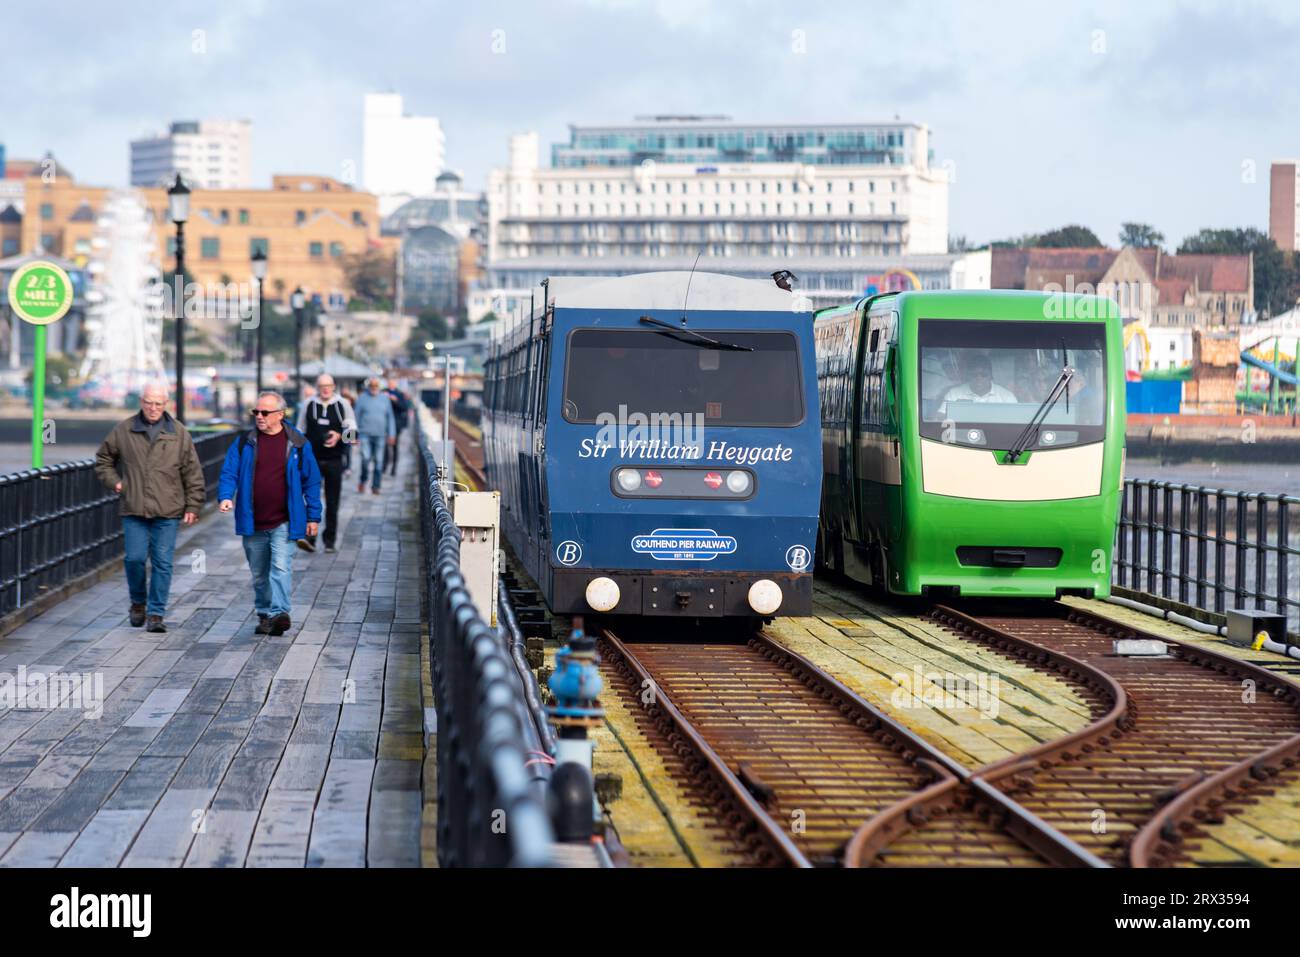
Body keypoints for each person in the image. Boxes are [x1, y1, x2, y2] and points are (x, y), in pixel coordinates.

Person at [94, 383, 205, 633]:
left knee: (163, 562)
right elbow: (103, 460)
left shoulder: (179, 432)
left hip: (169, 509)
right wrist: (117, 483)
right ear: (141, 402)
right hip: (134, 507)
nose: (153, 408)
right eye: (148, 402)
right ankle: (137, 603)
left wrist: (193, 505)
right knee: (134, 559)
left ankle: (156, 613)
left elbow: (193, 472)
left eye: (158, 403)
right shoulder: (124, 429)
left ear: (166, 405)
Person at [218, 390, 322, 637]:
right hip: (252, 520)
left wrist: (313, 517)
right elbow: (229, 471)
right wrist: (225, 496)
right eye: (256, 412)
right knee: (259, 573)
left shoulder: (298, 442)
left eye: (265, 412)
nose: (260, 416)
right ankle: (265, 614)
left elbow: (312, 481)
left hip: (285, 520)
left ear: (281, 414)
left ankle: (280, 613)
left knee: (281, 567)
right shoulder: (245, 441)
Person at [295, 373, 355, 553]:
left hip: (334, 459)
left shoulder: (343, 404)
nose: (326, 389)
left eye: (328, 385)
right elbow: (299, 430)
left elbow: (352, 433)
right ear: (317, 387)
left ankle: (329, 540)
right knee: (310, 499)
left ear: (334, 386)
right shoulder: (309, 404)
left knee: (332, 500)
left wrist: (339, 437)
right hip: (312, 460)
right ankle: (310, 538)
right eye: (322, 386)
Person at [938, 354, 1016, 417]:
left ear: (991, 376)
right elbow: (940, 417)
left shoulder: (1006, 396)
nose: (979, 378)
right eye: (974, 374)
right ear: (968, 376)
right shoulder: (954, 394)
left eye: (984, 374)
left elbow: (1016, 420)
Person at [354, 377, 396, 494]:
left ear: (379, 387)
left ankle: (376, 486)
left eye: (376, 386)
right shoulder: (362, 398)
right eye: (372, 386)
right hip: (364, 434)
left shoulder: (385, 399)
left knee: (378, 461)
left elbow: (390, 417)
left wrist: (392, 434)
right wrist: (352, 437)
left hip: (381, 435)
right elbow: (354, 417)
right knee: (365, 460)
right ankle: (363, 480)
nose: (374, 388)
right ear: (368, 387)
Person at [383, 378, 411, 476]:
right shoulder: (383, 392)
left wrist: (395, 400)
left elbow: (404, 407)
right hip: (384, 424)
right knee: (385, 446)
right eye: (389, 382)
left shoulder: (400, 394)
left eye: (392, 382)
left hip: (396, 424)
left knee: (395, 446)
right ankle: (384, 465)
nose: (391, 384)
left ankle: (394, 468)